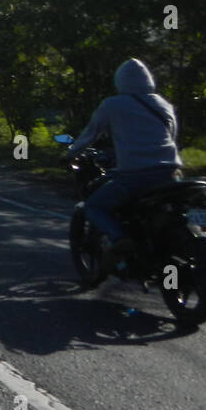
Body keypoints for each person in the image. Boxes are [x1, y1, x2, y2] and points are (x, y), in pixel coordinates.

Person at [67, 58, 182, 262]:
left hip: (134, 176)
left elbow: (90, 134)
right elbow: (171, 136)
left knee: (92, 206)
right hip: (170, 175)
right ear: (148, 80)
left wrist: (70, 153)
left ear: (120, 81)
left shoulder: (113, 104)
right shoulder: (164, 104)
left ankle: (120, 237)